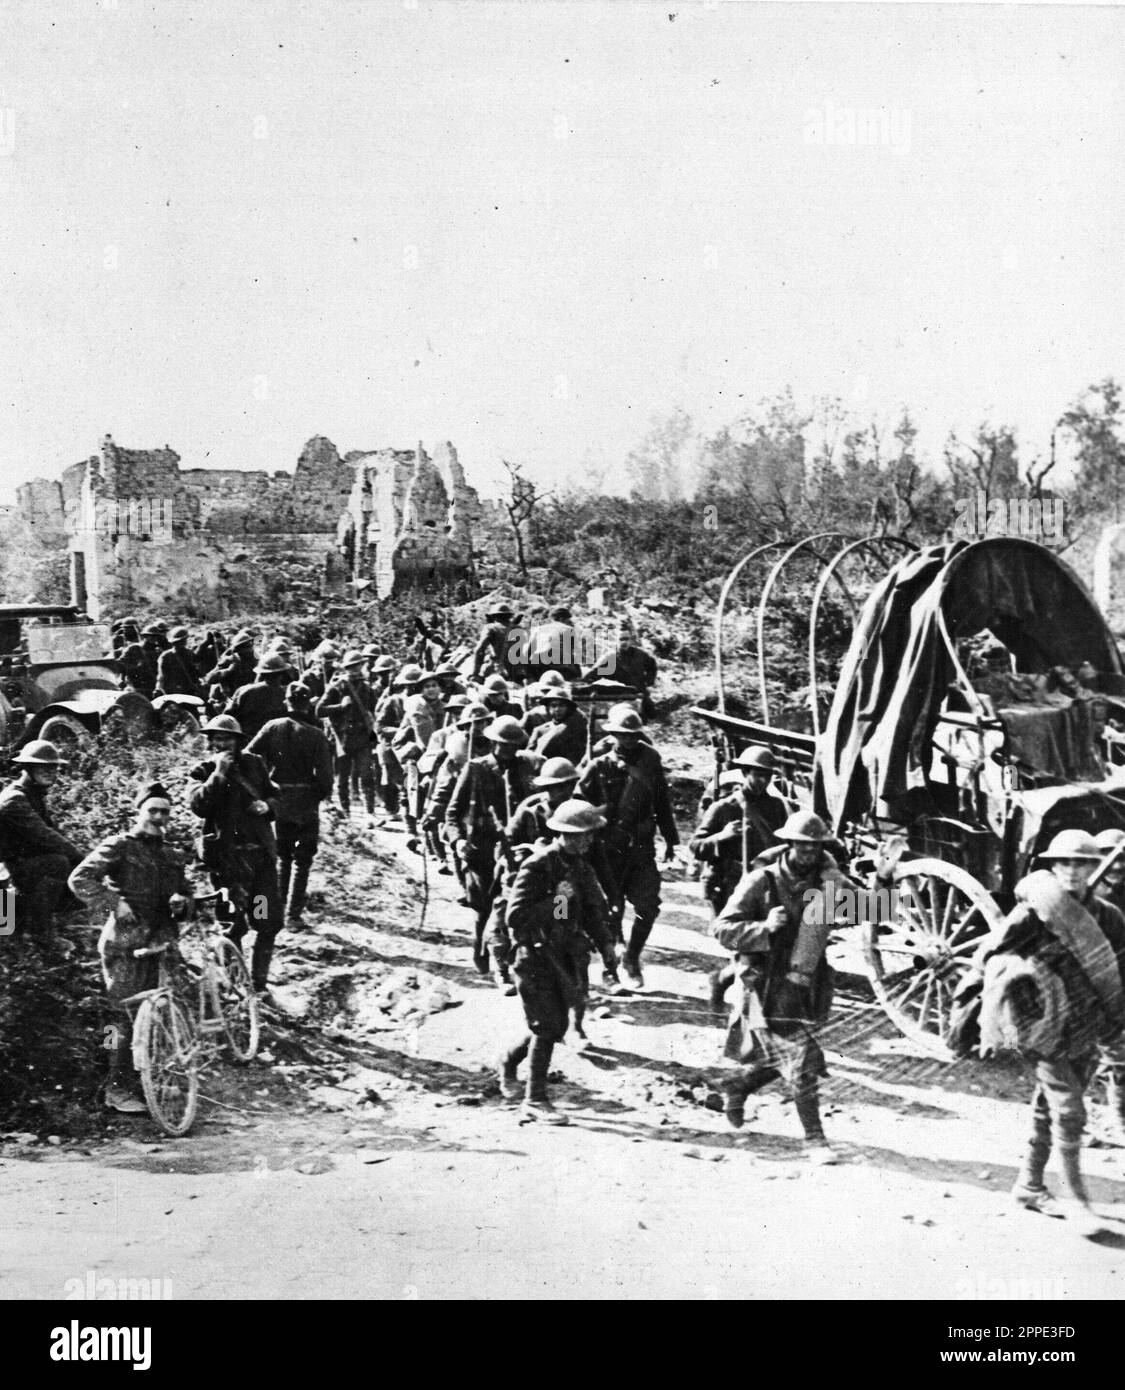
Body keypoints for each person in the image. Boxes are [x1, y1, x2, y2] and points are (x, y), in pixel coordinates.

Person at [976, 830, 1125, 1233]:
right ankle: (1078, 1202)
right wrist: (1020, 973)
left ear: (1095, 868)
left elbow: (1119, 972)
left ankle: (1028, 1185)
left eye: (1082, 863)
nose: (1073, 871)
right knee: (1070, 1111)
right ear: (1053, 867)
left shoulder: (1109, 916)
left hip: (1088, 1026)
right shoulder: (1034, 913)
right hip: (1043, 1026)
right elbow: (990, 955)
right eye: (1065, 863)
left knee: (1049, 1109)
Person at [711, 810, 851, 1164]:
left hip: (806, 980)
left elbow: (873, 910)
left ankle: (737, 1086)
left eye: (815, 848)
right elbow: (722, 929)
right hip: (766, 983)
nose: (809, 855)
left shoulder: (827, 881)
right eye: (802, 848)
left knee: (786, 1056)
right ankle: (815, 1139)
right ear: (788, 845)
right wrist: (764, 927)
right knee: (802, 1058)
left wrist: (877, 882)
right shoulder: (763, 881)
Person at [68, 782, 193, 1113]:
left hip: (163, 943)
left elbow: (187, 896)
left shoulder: (172, 854)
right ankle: (113, 1087)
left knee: (163, 1014)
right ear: (138, 812)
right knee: (118, 1016)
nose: (158, 817)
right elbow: (80, 879)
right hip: (126, 943)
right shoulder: (120, 846)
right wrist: (114, 901)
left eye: (164, 811)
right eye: (151, 810)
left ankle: (153, 1083)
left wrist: (183, 901)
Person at [500, 800, 620, 1123]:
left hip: (561, 953)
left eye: (590, 835)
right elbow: (515, 916)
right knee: (549, 1024)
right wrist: (555, 902)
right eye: (582, 835)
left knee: (553, 1023)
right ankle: (534, 1100)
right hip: (533, 954)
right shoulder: (538, 865)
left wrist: (605, 943)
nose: (588, 841)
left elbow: (589, 911)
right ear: (564, 834)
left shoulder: (579, 867)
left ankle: (509, 1061)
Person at [575, 703, 678, 989]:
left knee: (648, 904)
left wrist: (671, 838)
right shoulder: (598, 765)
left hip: (641, 847)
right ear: (612, 735)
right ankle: (613, 958)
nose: (628, 740)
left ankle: (632, 956)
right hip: (607, 849)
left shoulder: (650, 761)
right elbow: (579, 802)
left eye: (633, 735)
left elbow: (662, 803)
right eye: (622, 735)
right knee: (611, 907)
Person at [188, 714, 283, 992]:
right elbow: (199, 806)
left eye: (227, 738)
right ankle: (236, 985)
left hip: (259, 861)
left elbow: (274, 794)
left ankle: (259, 983)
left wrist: (268, 806)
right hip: (227, 864)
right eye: (216, 739)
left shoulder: (254, 764)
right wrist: (218, 773)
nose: (222, 744)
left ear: (239, 741)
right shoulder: (202, 771)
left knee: (264, 920)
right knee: (232, 924)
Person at [444, 715, 543, 975]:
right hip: (482, 848)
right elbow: (453, 812)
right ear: (491, 742)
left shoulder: (527, 767)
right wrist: (458, 840)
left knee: (516, 906)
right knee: (483, 908)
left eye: (512, 745)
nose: (506, 750)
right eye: (501, 744)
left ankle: (511, 962)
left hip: (518, 849)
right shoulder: (476, 768)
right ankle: (481, 948)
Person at [486, 756, 581, 997]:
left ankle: (558, 971)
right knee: (504, 918)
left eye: (568, 786)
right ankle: (502, 968)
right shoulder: (529, 813)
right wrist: (521, 855)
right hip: (525, 878)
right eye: (556, 787)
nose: (562, 792)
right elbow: (505, 845)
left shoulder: (577, 811)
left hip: (560, 883)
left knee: (562, 921)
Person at [246, 683, 334, 926]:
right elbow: (326, 778)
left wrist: (261, 786)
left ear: (286, 702)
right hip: (305, 801)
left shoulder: (272, 727)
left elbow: (248, 757)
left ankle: (275, 908)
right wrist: (316, 795)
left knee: (282, 856)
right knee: (302, 860)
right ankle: (293, 916)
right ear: (308, 704)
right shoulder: (316, 734)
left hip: (276, 799)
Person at [0, 740, 84, 939]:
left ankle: (32, 922)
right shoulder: (14, 800)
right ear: (27, 767)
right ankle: (39, 933)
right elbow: (47, 837)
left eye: (53, 767)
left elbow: (52, 836)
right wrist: (83, 859)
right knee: (58, 863)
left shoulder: (32, 795)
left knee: (68, 867)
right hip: (5, 880)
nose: (50, 772)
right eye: (42, 767)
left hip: (16, 874)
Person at [316, 649, 377, 819]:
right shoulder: (337, 686)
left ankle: (370, 813)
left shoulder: (367, 688)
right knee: (343, 778)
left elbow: (374, 711)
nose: (356, 670)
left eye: (359, 666)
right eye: (352, 667)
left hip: (362, 736)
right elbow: (319, 710)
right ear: (346, 668)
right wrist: (340, 707)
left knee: (367, 775)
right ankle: (347, 812)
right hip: (342, 737)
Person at [226, 652, 293, 741]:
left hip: (248, 741)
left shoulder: (244, 691)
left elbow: (228, 716)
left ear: (261, 673)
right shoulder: (288, 693)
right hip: (278, 742)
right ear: (282, 673)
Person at [528, 684, 587, 765]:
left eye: (561, 705)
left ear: (568, 708)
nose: (557, 709)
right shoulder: (539, 730)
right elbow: (530, 755)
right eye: (553, 705)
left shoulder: (575, 729)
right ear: (548, 708)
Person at [203, 629, 257, 707]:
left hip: (248, 698)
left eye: (250, 645)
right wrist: (229, 670)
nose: (250, 649)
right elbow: (209, 678)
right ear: (238, 649)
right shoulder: (229, 660)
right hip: (230, 700)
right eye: (246, 647)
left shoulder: (255, 660)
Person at [470, 605, 518, 681]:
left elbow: (479, 650)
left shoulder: (490, 628)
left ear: (494, 616)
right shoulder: (519, 628)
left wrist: (475, 673)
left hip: (499, 669)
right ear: (509, 616)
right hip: (518, 669)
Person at [155, 625, 203, 699]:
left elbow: (195, 670)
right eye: (181, 641)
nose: (182, 643)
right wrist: (159, 689)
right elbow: (161, 676)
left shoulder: (189, 653)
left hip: (189, 689)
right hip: (174, 691)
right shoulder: (166, 656)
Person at [119, 623, 164, 699]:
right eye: (151, 636)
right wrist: (136, 667)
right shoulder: (134, 648)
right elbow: (121, 665)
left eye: (156, 636)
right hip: (135, 685)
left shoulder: (158, 652)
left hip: (152, 686)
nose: (153, 638)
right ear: (145, 636)